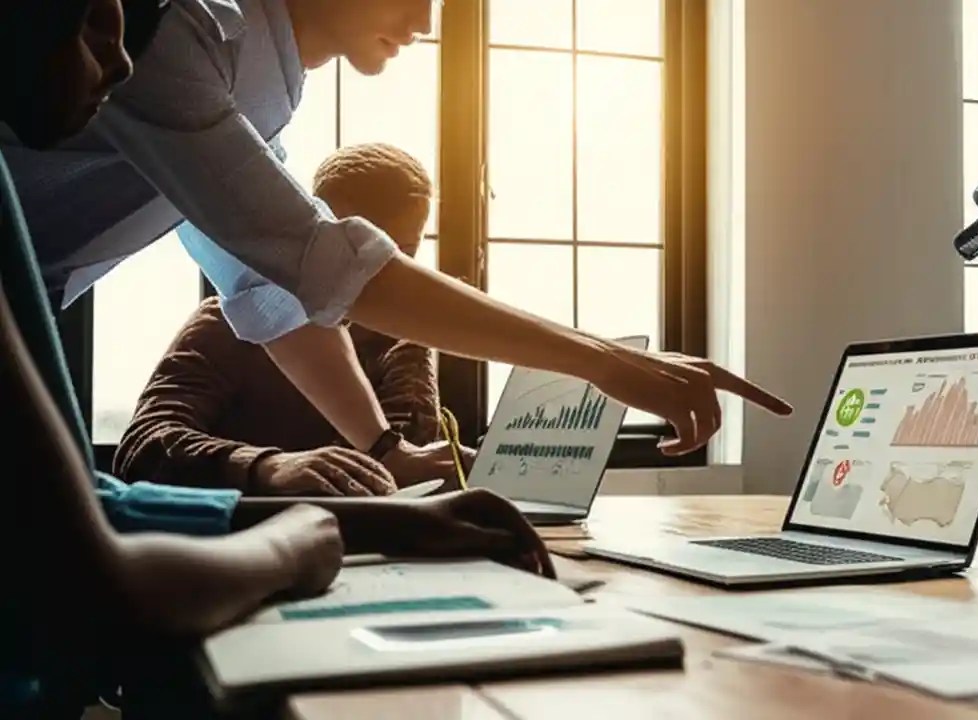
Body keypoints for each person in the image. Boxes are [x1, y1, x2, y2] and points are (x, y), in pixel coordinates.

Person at [0, 3, 551, 715]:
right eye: (86, 12)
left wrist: (389, 514)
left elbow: (91, 515)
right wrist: (301, 525)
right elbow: (98, 558)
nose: (129, 56)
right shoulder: (222, 326)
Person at [2, 0, 792, 486]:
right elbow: (331, 267)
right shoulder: (179, 34)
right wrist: (608, 363)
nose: (426, 21)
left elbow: (277, 298)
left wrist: (382, 446)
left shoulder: (253, 98)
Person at [115, 142, 474, 496]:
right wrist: (267, 468)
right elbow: (144, 447)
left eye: (403, 256)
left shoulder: (398, 340)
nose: (379, 276)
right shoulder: (224, 325)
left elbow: (404, 469)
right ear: (311, 230)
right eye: (359, 252)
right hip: (231, 537)